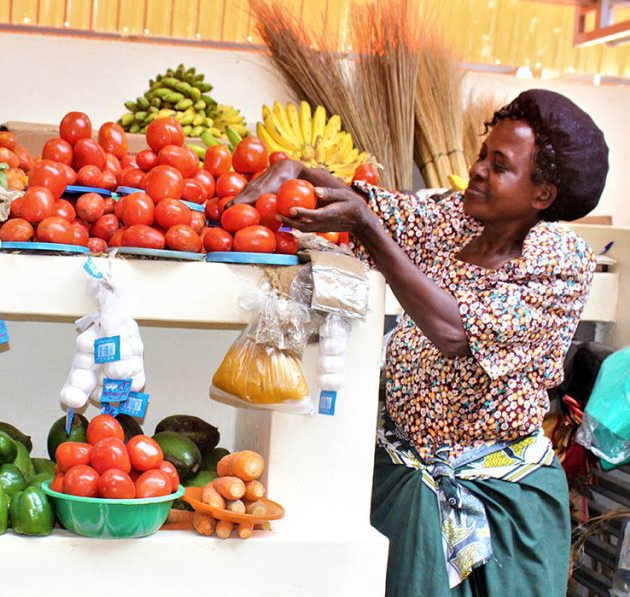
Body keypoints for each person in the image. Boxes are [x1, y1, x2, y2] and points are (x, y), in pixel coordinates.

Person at [232, 89, 609, 595]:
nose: (477, 171)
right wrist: (297, 172)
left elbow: (453, 332)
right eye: (482, 155)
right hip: (409, 480)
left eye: (499, 166)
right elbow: (377, 207)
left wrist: (367, 230)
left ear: (541, 196)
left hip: (500, 506)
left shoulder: (560, 263)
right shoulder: (458, 221)